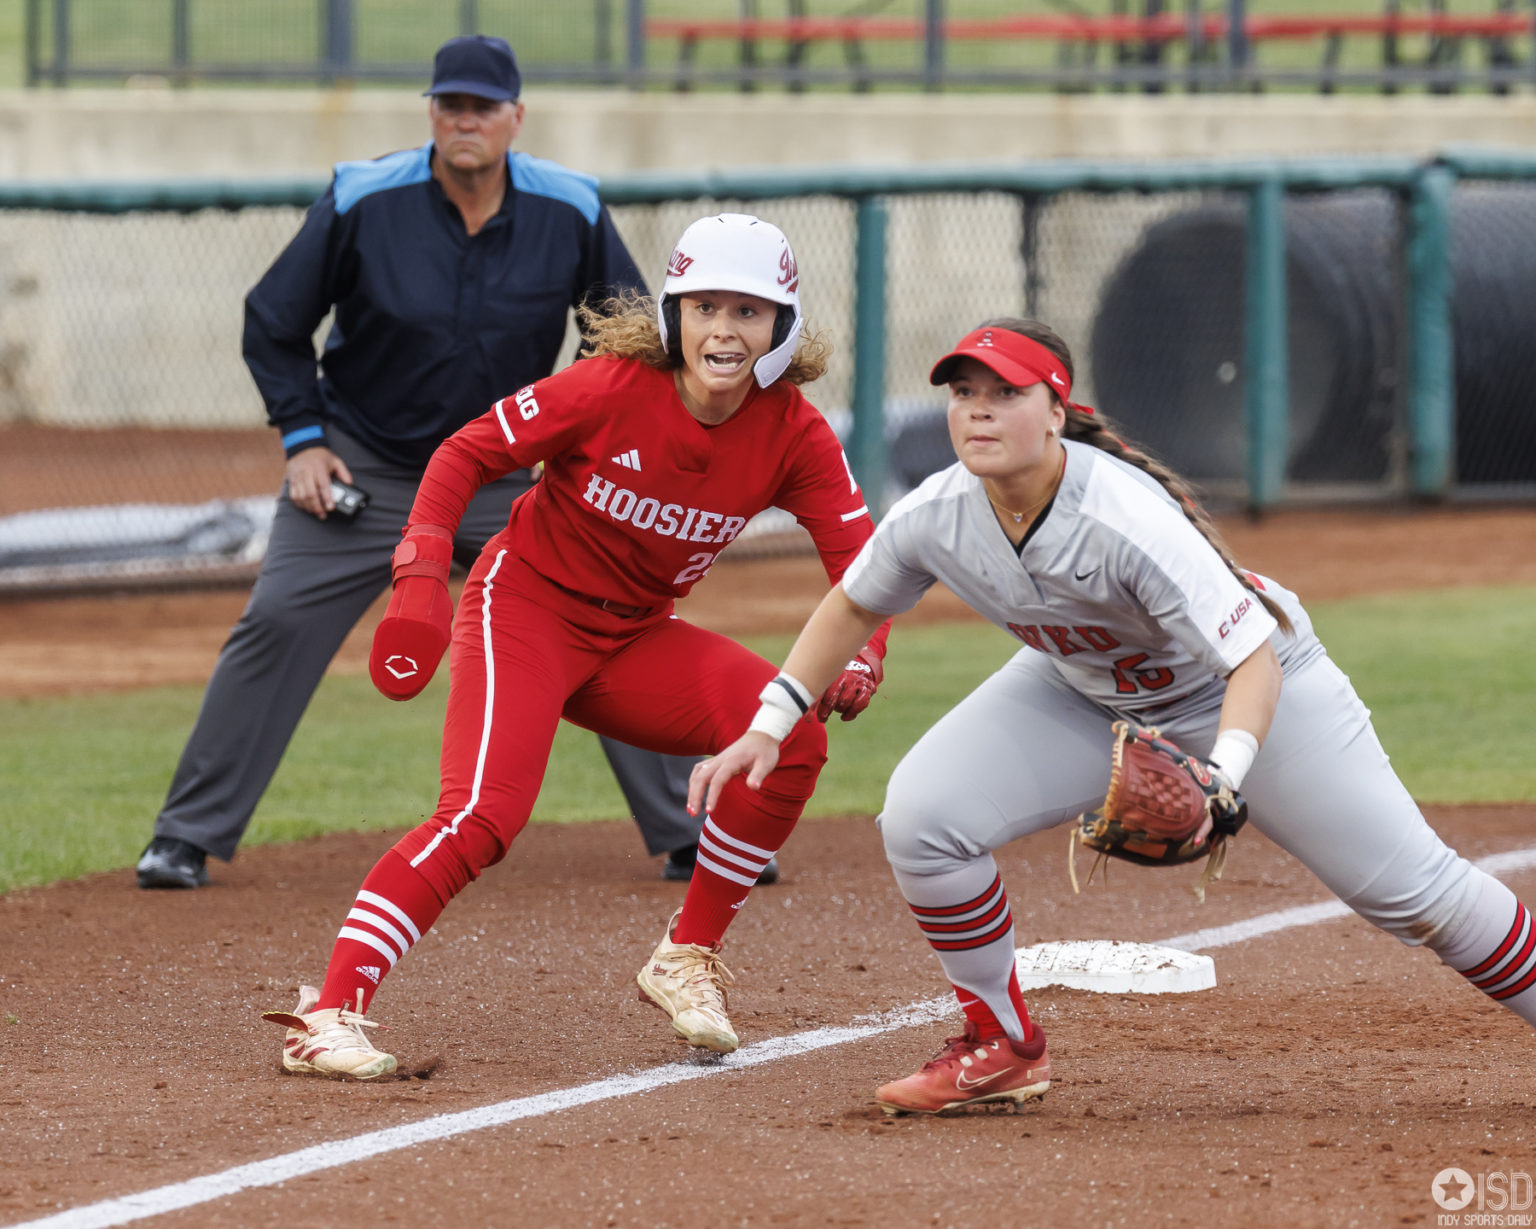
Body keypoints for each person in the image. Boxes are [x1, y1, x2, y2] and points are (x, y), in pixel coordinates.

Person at [693, 316, 1536, 1115]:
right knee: (923, 817)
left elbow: (1253, 660)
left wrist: (1222, 778)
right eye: (962, 392)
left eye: (1006, 392)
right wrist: (770, 720)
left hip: (1237, 691)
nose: (978, 408)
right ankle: (1002, 1044)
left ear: (1056, 411)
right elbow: (850, 605)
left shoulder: (1124, 517)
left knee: (1416, 895)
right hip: (1083, 687)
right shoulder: (936, 513)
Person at [261, 212, 890, 1078]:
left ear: (781, 328)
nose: (724, 330)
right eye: (705, 305)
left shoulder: (795, 432)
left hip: (633, 635)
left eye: (749, 312)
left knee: (792, 742)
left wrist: (867, 650)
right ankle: (327, 1011)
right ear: (675, 314)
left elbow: (864, 562)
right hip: (524, 611)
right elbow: (461, 455)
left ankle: (685, 956)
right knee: (484, 816)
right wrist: (419, 574)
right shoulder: (607, 387)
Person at [134, 34, 725, 892]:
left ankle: (686, 831)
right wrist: (304, 439)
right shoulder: (363, 195)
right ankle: (185, 834)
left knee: (604, 617)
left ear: (515, 118)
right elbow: (273, 320)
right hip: (366, 470)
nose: (465, 120)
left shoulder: (570, 206)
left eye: (484, 106)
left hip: (509, 484)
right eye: (450, 104)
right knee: (277, 621)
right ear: (431, 113)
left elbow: (632, 339)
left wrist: (606, 448)